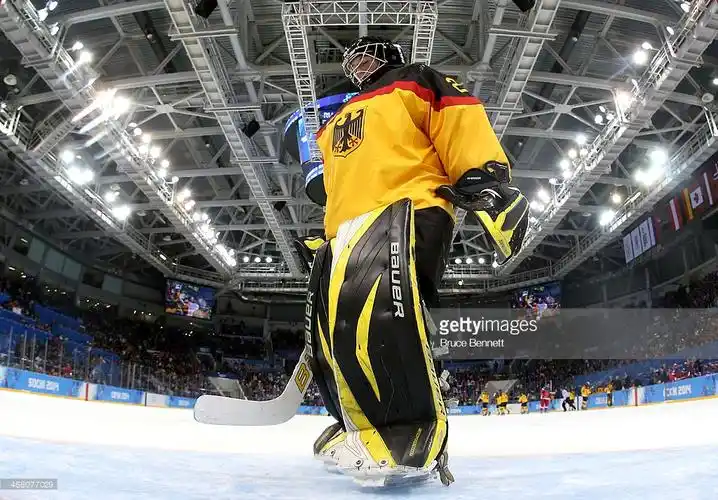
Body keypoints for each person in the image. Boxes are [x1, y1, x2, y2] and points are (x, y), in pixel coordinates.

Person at [297, 35, 529, 487]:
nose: (358, 67)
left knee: (385, 319)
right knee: (334, 336)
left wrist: (487, 180)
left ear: (389, 57)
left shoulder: (416, 80)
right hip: (347, 230)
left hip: (410, 208)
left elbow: (458, 120)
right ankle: (358, 427)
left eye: (367, 57)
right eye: (352, 61)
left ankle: (410, 434)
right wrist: (328, 232)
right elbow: (340, 179)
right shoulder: (336, 119)